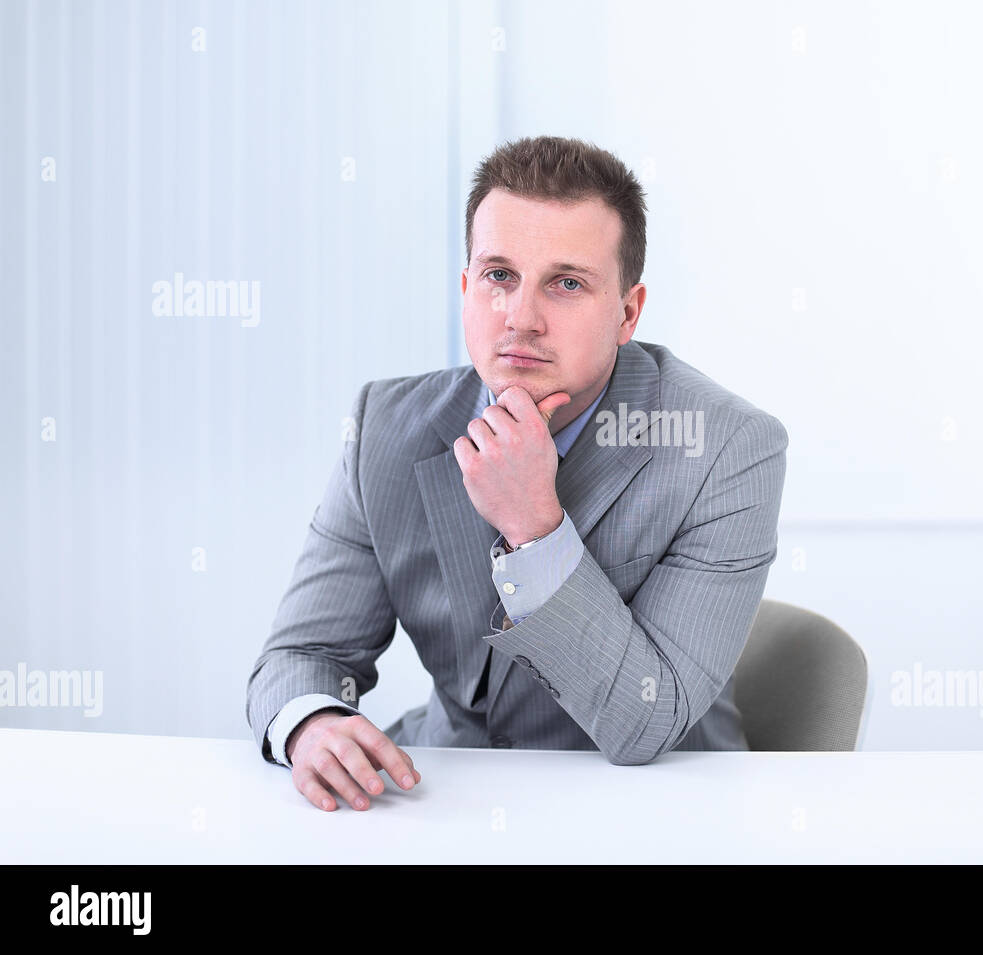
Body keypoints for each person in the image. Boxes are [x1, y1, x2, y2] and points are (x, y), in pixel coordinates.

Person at [245, 135, 788, 812]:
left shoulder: (727, 448)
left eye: (566, 283)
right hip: (446, 796)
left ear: (628, 312)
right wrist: (312, 722)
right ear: (468, 287)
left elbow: (646, 722)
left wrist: (536, 528)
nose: (521, 319)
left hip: (653, 809)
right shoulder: (383, 425)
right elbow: (300, 654)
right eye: (500, 276)